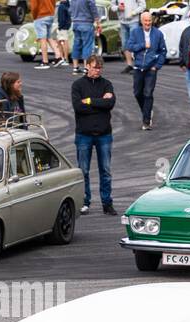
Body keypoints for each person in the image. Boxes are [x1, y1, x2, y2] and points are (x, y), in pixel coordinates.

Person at [72, 54, 116, 215]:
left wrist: (90, 101)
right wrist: (100, 102)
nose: (98, 70)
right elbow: (78, 107)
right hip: (84, 134)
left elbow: (110, 103)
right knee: (83, 170)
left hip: (104, 134)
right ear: (87, 66)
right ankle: (84, 201)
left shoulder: (107, 84)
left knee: (105, 170)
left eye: (100, 68)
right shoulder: (77, 85)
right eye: (95, 67)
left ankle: (107, 202)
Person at [127, 10, 166, 130]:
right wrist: (143, 45)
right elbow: (129, 46)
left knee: (148, 93)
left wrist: (157, 66)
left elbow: (163, 51)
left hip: (151, 68)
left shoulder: (158, 34)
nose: (148, 23)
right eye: (145, 21)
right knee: (137, 93)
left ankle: (146, 121)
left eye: (149, 20)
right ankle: (147, 111)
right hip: (138, 67)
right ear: (141, 21)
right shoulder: (135, 32)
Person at [69, 0, 101, 75]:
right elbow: (93, 8)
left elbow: (70, 10)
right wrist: (98, 21)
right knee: (87, 46)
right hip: (86, 23)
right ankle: (86, 68)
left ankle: (75, 68)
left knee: (76, 45)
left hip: (76, 23)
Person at [30, 0, 59, 69]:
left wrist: (34, 17)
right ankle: (58, 56)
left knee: (42, 39)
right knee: (49, 37)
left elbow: (34, 7)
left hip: (41, 16)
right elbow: (54, 2)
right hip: (50, 15)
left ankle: (45, 61)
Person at [119, 0, 147, 72]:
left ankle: (138, 65)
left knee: (135, 43)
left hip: (133, 21)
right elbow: (112, 6)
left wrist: (133, 12)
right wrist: (117, 7)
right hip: (122, 22)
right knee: (125, 44)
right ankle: (129, 65)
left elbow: (143, 5)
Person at [55, 0, 73, 65]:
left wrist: (60, 27)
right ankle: (64, 58)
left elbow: (61, 18)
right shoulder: (67, 5)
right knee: (63, 41)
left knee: (62, 42)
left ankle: (64, 58)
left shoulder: (61, 6)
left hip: (62, 27)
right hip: (66, 26)